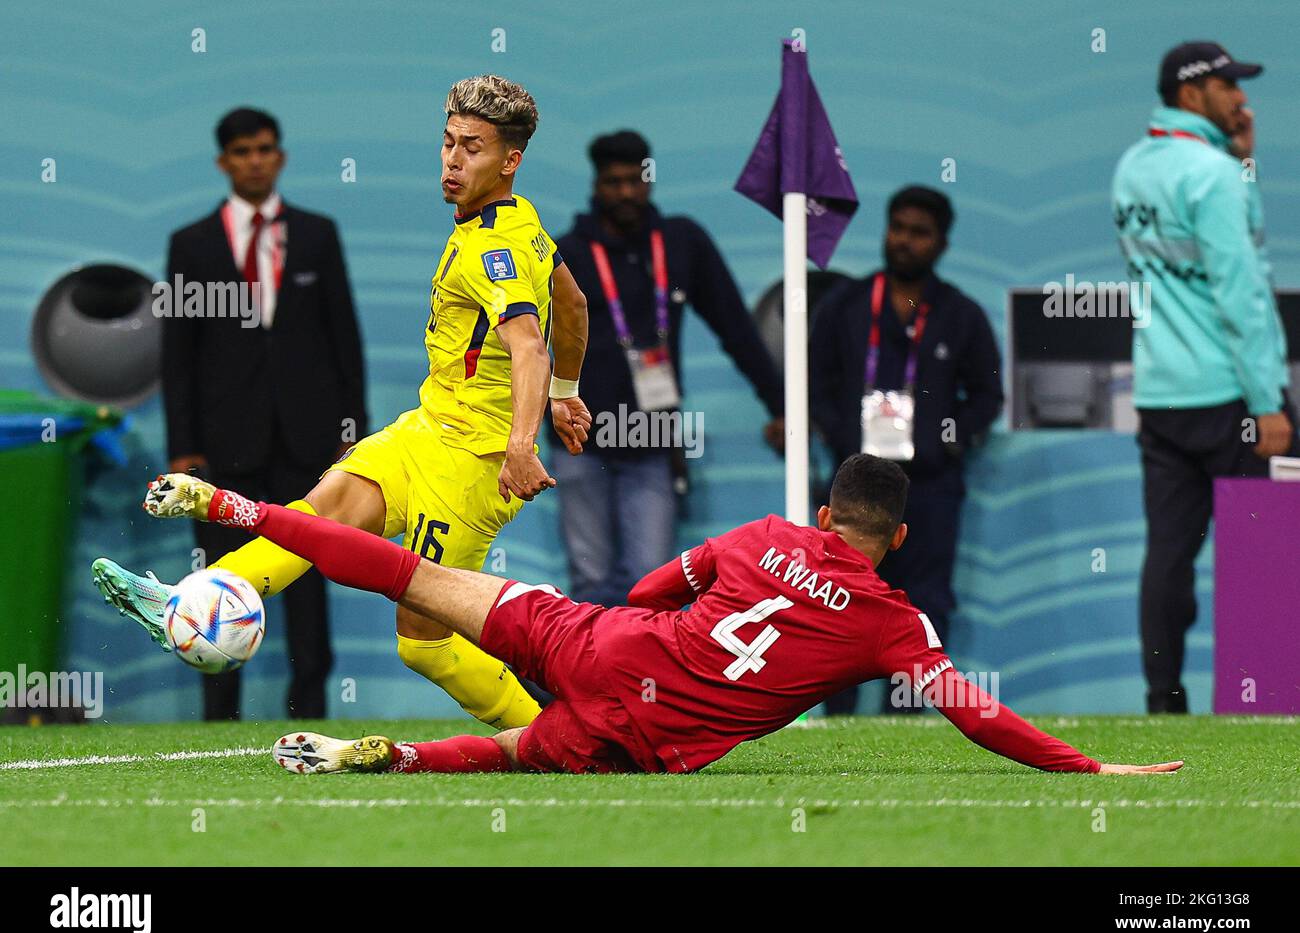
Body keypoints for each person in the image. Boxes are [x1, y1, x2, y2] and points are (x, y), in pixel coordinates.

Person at [93, 75, 593, 731]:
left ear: (509, 160)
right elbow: (574, 304)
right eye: (447, 143)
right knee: (317, 517)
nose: (452, 160)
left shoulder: (494, 246)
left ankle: (557, 735)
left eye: (472, 147)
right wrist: (567, 398)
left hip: (471, 468)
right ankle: (186, 602)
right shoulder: (520, 220)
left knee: (424, 642)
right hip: (424, 434)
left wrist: (524, 442)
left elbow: (530, 345)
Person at [142, 461, 1179, 777]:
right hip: (647, 726)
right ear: (895, 539)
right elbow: (973, 714)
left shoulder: (762, 533)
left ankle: (233, 507)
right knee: (518, 753)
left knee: (410, 578)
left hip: (599, 637)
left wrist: (639, 610)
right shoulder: (892, 625)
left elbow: (645, 591)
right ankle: (395, 758)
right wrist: (1093, 769)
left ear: (824, 515)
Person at [115, 107, 369, 719]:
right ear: (223, 162)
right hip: (221, 450)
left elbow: (345, 342)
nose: (255, 160)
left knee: (306, 579)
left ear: (279, 156)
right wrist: (183, 451)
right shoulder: (191, 244)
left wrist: (350, 436)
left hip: (310, 447)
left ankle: (309, 713)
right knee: (213, 582)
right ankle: (217, 718)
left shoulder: (318, 234)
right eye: (242, 151)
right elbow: (179, 355)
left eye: (264, 149)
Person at [1112, 42, 1300, 713]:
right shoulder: (1214, 176)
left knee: (1168, 553)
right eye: (1228, 86)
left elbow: (1188, 256)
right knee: (1263, 547)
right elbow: (1241, 291)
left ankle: (1164, 698)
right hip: (1230, 394)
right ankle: (1265, 692)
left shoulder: (1132, 167)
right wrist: (1268, 399)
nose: (1241, 99)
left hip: (1161, 392)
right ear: (1192, 95)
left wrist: (1239, 160)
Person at [552, 130, 784, 607]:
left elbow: (735, 328)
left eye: (635, 180)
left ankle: (642, 685)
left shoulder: (682, 244)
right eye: (613, 182)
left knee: (650, 587)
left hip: (651, 442)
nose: (625, 193)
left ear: (649, 181)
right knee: (590, 585)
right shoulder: (566, 255)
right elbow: (527, 345)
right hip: (578, 443)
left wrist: (780, 407)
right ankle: (588, 685)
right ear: (596, 186)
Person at [810, 186, 1002, 715]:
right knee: (838, 600)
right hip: (852, 484)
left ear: (940, 243)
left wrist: (943, 442)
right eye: (898, 228)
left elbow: (988, 395)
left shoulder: (960, 314)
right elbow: (814, 384)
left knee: (923, 603)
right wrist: (840, 436)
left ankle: (908, 718)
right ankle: (837, 717)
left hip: (929, 489)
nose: (905, 241)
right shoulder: (846, 305)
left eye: (920, 233)